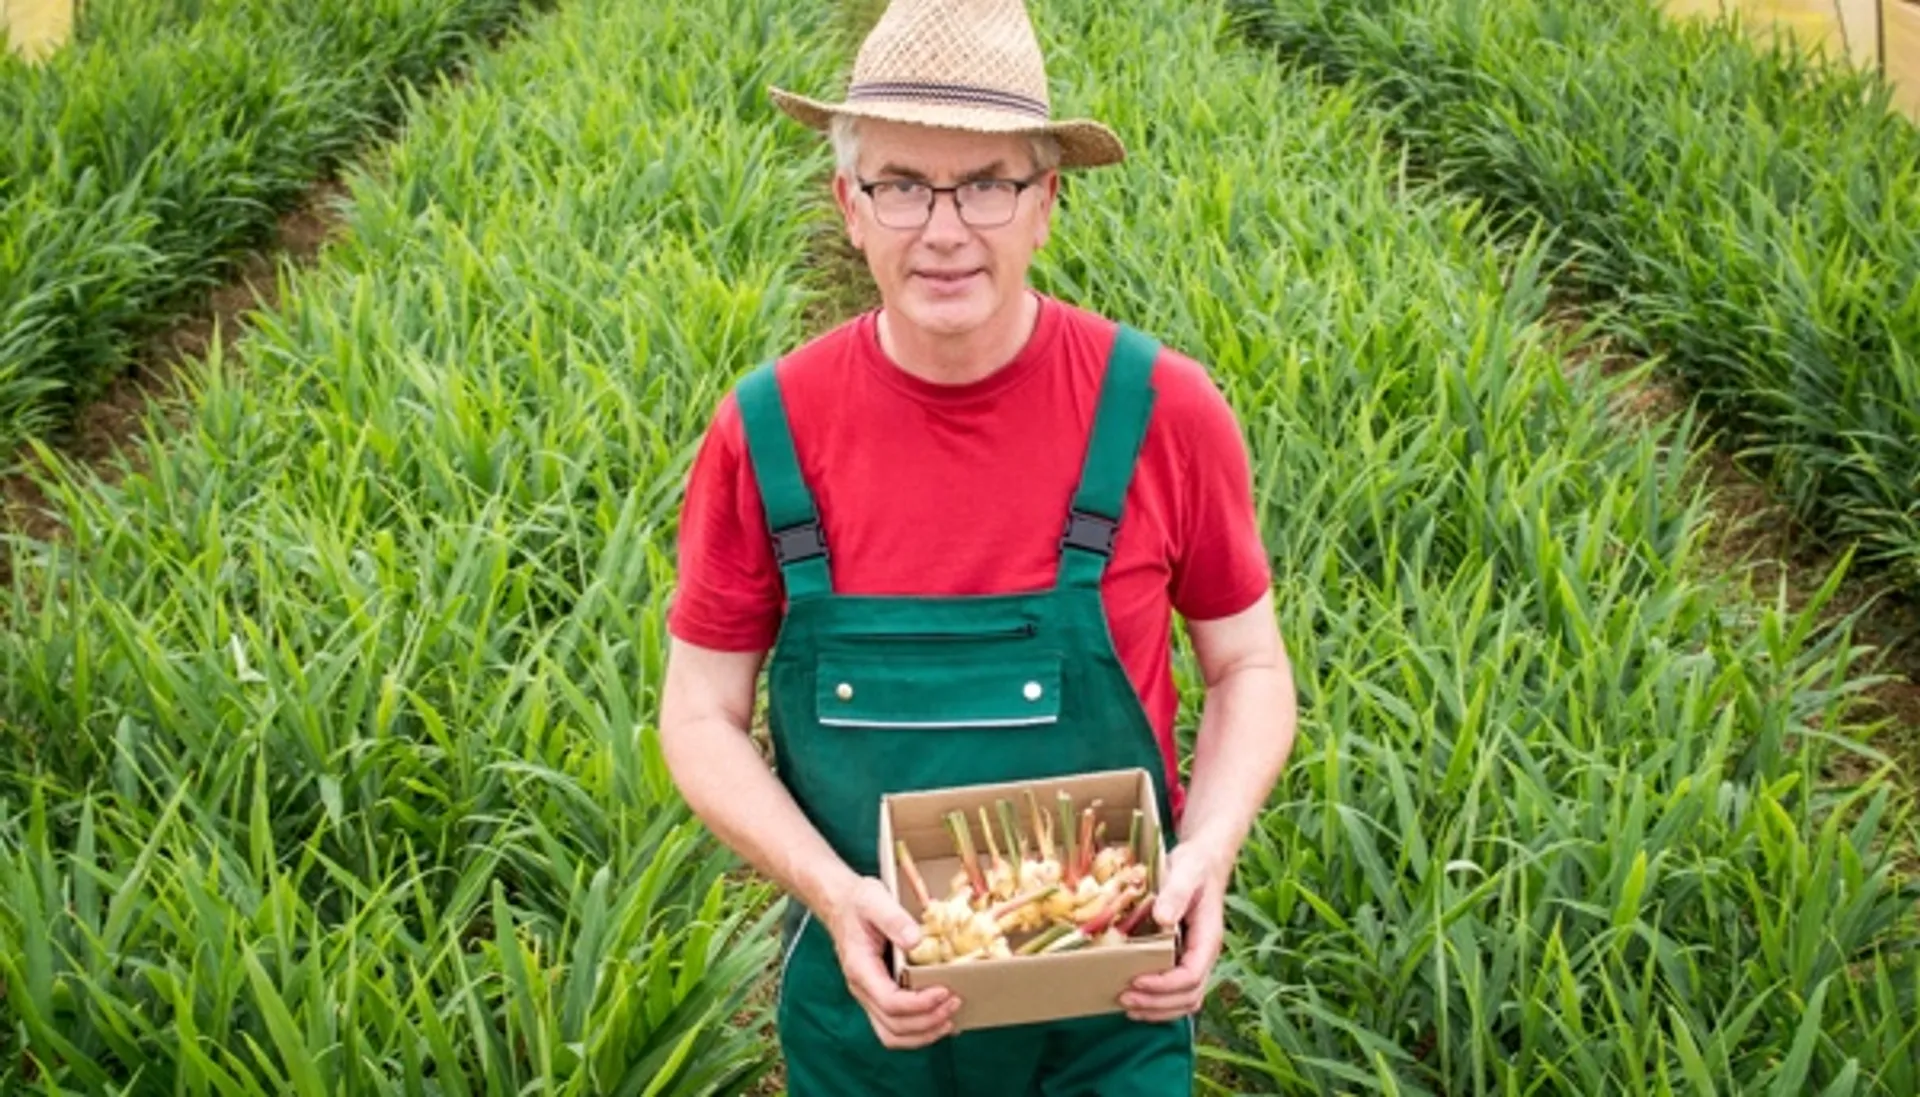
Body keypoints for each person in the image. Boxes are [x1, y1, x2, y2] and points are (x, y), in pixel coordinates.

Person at [656, 0, 1298, 1091]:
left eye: (988, 183)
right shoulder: (767, 431)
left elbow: (1249, 665)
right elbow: (698, 712)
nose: (944, 229)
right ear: (848, 206)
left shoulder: (1162, 409)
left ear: (1046, 203)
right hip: (870, 1004)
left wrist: (1208, 851)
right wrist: (828, 889)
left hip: (1111, 1006)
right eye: (902, 184)